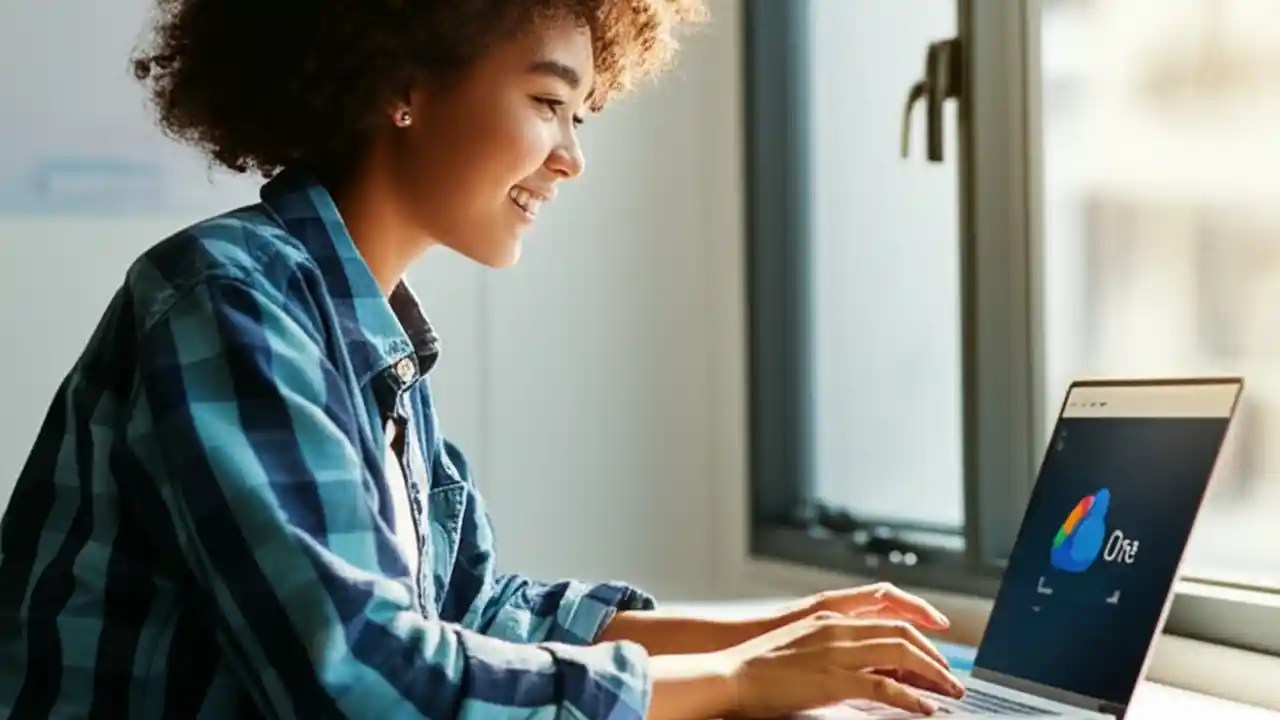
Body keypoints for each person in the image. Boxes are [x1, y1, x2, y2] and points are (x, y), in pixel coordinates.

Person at [0, 1, 966, 717]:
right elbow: (363, 678)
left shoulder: (365, 333)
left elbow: (478, 609)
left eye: (582, 115)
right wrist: (743, 679)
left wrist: (782, 631)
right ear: (399, 86)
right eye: (549, 101)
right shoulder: (229, 297)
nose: (570, 158)